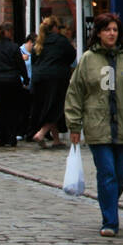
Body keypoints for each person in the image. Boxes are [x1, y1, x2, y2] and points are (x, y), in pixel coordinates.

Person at [65, 12, 123, 237]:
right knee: (107, 173)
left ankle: (108, 202)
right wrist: (74, 125)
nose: (111, 33)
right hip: (97, 127)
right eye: (107, 29)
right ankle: (110, 221)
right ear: (98, 33)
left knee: (122, 173)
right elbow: (75, 93)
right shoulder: (88, 59)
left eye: (115, 30)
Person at [30, 17, 76, 148]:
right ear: (55, 27)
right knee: (58, 107)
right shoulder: (61, 40)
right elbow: (72, 55)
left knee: (49, 106)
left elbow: (34, 60)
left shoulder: (39, 42)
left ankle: (56, 140)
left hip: (39, 78)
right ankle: (42, 132)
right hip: (56, 78)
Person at [0, 22, 28, 148]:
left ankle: (0, 137)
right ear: (7, 32)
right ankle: (11, 137)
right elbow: (21, 65)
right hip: (12, 81)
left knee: (0, 110)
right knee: (13, 110)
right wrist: (25, 79)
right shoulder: (14, 48)